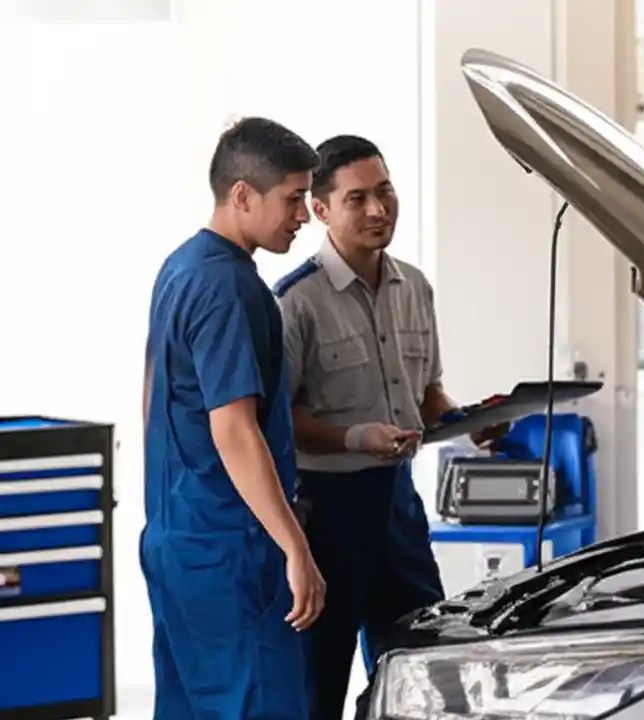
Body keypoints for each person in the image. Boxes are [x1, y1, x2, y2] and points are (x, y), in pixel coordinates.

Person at [274, 134, 505, 719]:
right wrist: (355, 438)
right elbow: (276, 420)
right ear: (321, 209)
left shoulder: (415, 288)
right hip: (326, 513)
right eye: (357, 199)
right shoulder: (295, 302)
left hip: (398, 506)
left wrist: (469, 423)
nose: (379, 209)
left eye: (386, 191)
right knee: (319, 682)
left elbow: (425, 394)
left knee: (424, 670)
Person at [141, 116, 327, 720]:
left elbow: (152, 394)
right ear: (243, 194)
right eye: (293, 199)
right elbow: (234, 428)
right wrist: (295, 547)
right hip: (231, 552)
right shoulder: (228, 288)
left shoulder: (181, 267)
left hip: (177, 540)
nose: (303, 215)